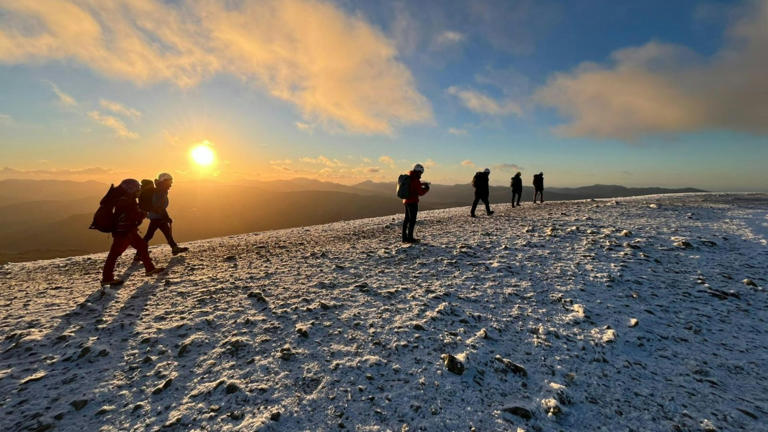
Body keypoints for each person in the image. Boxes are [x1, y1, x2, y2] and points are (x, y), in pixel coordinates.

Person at [102, 179, 165, 286]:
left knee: (142, 246)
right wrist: (142, 214)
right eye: (136, 188)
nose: (138, 190)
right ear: (131, 189)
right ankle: (107, 278)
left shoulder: (125, 199)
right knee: (114, 254)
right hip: (125, 232)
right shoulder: (126, 200)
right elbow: (131, 216)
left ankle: (149, 268)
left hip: (125, 231)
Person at [136, 172, 188, 260]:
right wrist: (166, 217)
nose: (171, 184)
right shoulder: (160, 191)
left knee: (165, 232)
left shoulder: (160, 190)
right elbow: (159, 206)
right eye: (170, 182)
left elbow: (160, 207)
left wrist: (166, 217)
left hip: (157, 216)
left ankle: (174, 247)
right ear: (165, 181)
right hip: (157, 216)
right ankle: (139, 254)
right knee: (149, 235)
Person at [402, 163, 430, 243]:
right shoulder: (415, 179)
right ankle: (410, 238)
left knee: (407, 219)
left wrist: (422, 184)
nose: (421, 174)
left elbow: (414, 186)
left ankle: (404, 238)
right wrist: (426, 188)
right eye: (420, 172)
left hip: (406, 201)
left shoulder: (410, 177)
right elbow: (420, 192)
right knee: (412, 220)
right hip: (412, 202)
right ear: (418, 171)